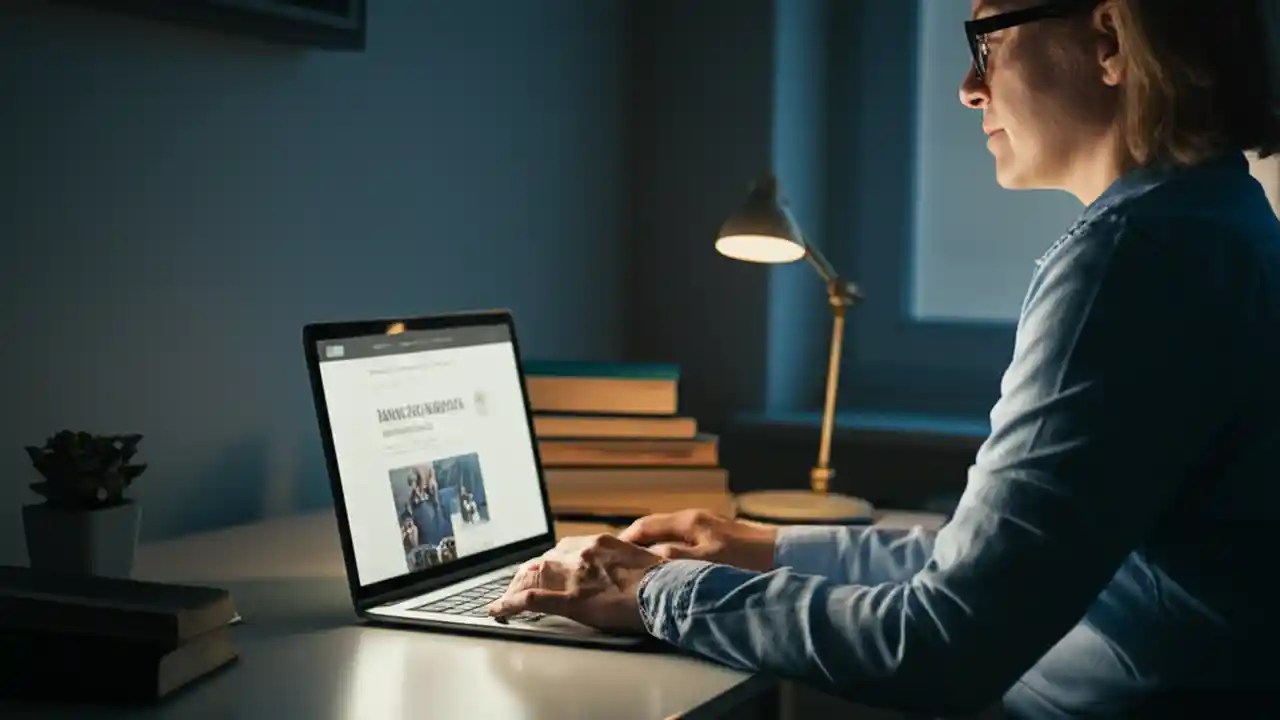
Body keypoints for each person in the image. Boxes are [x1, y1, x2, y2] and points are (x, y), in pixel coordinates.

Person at [488, 0, 1280, 716]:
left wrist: (652, 588)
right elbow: (1007, 562)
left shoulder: (1129, 262)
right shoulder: (1221, 219)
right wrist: (765, 546)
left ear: (1109, 41)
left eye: (989, 39)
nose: (971, 87)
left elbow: (940, 643)